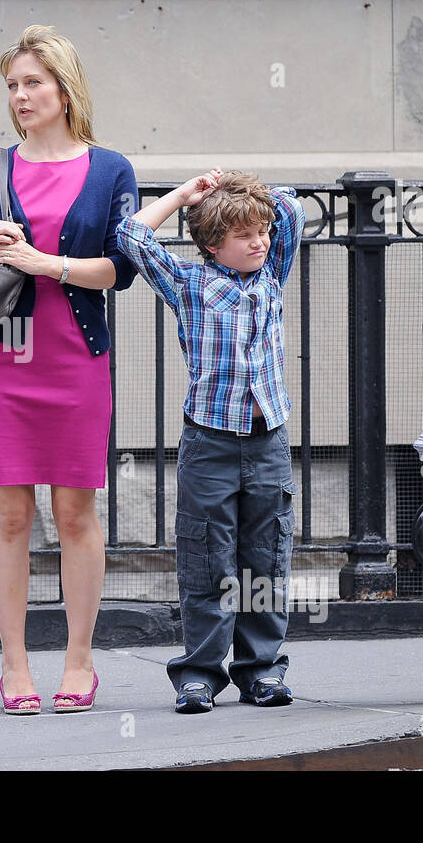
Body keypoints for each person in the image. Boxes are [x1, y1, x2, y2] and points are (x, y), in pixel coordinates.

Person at [0, 25, 138, 714]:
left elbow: (123, 268)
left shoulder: (110, 170)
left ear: (64, 88)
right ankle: (14, 667)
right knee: (10, 511)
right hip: (5, 356)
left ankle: (79, 660)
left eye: (32, 83)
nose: (19, 96)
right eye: (12, 85)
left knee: (75, 509)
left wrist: (51, 266)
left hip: (76, 356)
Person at [115, 168, 305, 713]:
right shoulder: (189, 285)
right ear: (213, 244)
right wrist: (184, 196)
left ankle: (262, 670)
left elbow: (289, 207)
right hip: (209, 443)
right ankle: (199, 674)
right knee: (208, 560)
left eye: (260, 231)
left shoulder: (272, 272)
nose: (259, 241)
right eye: (244, 234)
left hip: (267, 440)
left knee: (265, 559)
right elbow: (132, 236)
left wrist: (243, 193)